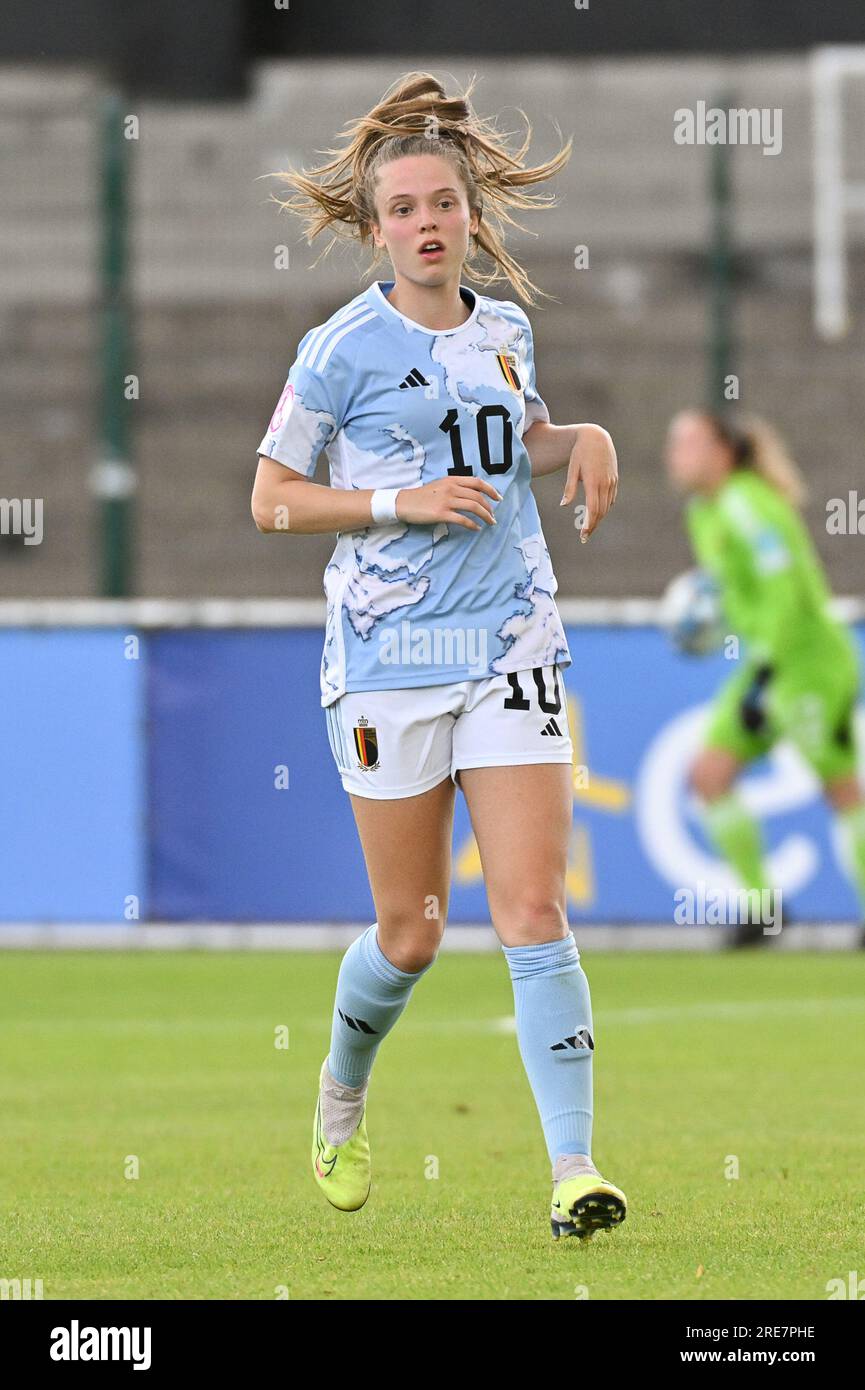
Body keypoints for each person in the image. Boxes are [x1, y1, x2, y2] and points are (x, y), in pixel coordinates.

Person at [251, 71, 624, 1240]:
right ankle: (340, 1094)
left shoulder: (506, 326)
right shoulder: (339, 351)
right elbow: (270, 501)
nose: (426, 222)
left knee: (533, 907)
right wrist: (393, 502)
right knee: (411, 931)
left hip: (512, 638)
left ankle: (574, 1171)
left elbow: (516, 445)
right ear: (374, 229)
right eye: (403, 207)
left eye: (442, 203)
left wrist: (587, 440)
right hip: (388, 659)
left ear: (471, 215)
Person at [665, 408, 865, 947]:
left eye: (689, 443)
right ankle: (761, 910)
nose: (675, 455)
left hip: (807, 663)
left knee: (842, 789)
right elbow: (740, 591)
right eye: (674, 444)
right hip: (766, 665)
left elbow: (784, 593)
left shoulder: (745, 504)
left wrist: (768, 671)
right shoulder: (702, 512)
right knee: (708, 776)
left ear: (723, 451)